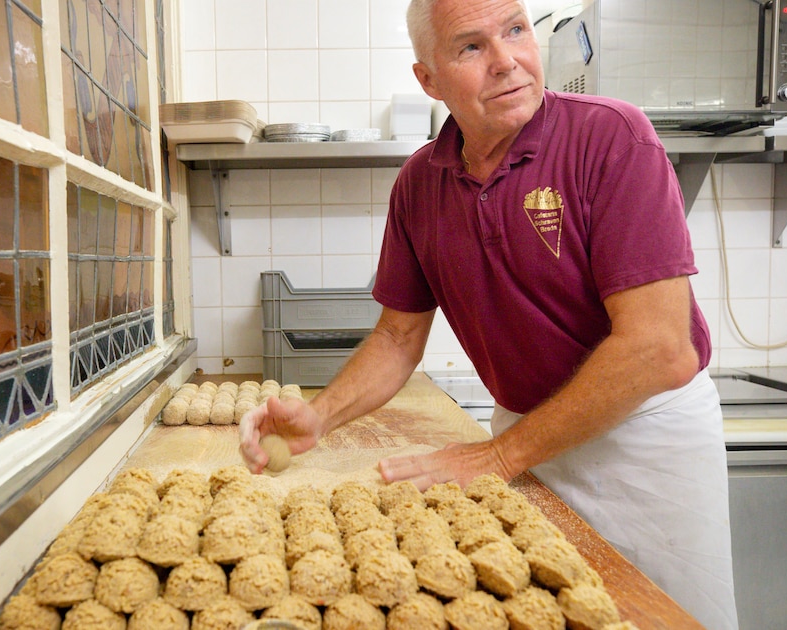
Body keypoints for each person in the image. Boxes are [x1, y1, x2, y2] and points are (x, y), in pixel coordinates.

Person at [240, 0, 738, 627]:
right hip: (525, 433)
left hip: (643, 444)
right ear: (430, 79)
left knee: (662, 617)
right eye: (470, 47)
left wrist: (497, 458)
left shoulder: (611, 136)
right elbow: (397, 337)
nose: (506, 62)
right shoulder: (420, 184)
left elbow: (660, 349)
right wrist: (318, 415)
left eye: (515, 31)